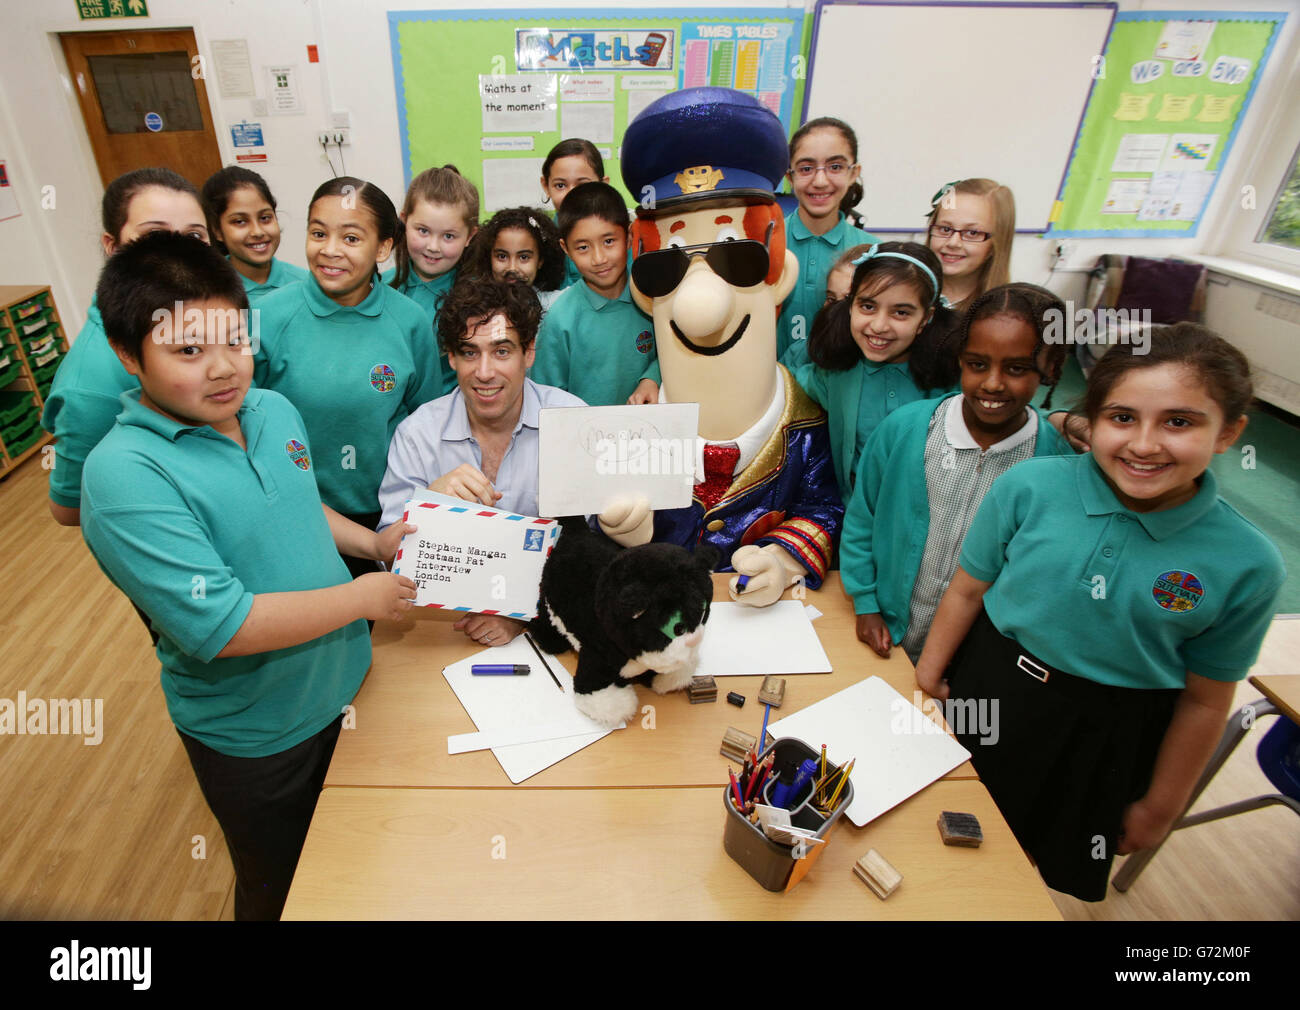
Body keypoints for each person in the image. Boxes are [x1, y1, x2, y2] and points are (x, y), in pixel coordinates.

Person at [80, 232, 417, 919]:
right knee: (283, 889)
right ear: (126, 354)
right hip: (262, 739)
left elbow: (298, 501)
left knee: (362, 866)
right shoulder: (123, 477)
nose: (223, 369)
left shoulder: (269, 409)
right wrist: (361, 598)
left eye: (235, 340)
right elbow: (223, 624)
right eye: (187, 351)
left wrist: (374, 545)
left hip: (349, 685)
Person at [914, 323, 1286, 902]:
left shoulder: (1248, 562)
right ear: (1092, 419)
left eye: (1179, 422)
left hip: (1109, 731)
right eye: (1122, 418)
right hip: (992, 685)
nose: (1144, 443)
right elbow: (967, 588)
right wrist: (929, 672)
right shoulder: (1030, 486)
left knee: (1034, 859)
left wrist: (1161, 806)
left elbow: (1206, 699)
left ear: (1228, 432)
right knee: (947, 816)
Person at [607, 86, 844, 608]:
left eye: (735, 258)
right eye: (665, 267)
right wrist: (624, 532)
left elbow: (824, 506)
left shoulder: (805, 426)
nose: (699, 303)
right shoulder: (634, 435)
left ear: (779, 273)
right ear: (644, 291)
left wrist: (784, 559)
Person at [842, 283, 1072, 664]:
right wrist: (865, 603)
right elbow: (862, 518)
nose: (993, 383)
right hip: (886, 635)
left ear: (1051, 368)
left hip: (974, 655)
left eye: (1017, 368)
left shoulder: (1055, 462)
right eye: (977, 364)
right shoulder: (904, 429)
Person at [377, 277, 583, 648]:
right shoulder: (417, 434)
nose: (485, 372)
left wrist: (523, 616)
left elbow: (595, 554)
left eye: (502, 351)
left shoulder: (573, 423)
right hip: (438, 629)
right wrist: (429, 507)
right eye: (470, 353)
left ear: (529, 352)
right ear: (451, 357)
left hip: (554, 623)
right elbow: (388, 556)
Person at [254, 176, 439, 580]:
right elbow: (242, 420)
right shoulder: (266, 319)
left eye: (351, 238)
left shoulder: (410, 320)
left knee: (384, 631)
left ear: (385, 247)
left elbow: (425, 420)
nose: (330, 250)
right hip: (296, 512)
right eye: (318, 233)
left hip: (386, 514)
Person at [43, 167, 209, 527]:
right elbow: (69, 508)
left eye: (194, 237)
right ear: (112, 246)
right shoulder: (91, 385)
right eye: (155, 236)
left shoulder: (202, 318)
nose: (178, 252)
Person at [794, 242, 959, 498]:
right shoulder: (833, 375)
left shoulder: (949, 380)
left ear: (925, 318)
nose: (879, 326)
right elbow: (782, 385)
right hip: (853, 521)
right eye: (868, 307)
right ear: (851, 305)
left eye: (901, 312)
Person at [531, 182, 658, 405]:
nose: (599, 258)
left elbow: (675, 354)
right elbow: (544, 399)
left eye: (609, 241)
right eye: (583, 247)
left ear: (628, 238)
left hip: (652, 435)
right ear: (565, 249)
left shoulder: (654, 297)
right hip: (583, 437)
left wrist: (652, 378)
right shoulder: (559, 320)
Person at [777, 117, 880, 369]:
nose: (820, 181)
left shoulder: (875, 254)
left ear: (854, 173)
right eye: (806, 168)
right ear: (789, 175)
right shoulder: (763, 243)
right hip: (767, 390)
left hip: (838, 391)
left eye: (835, 166)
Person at [385, 164, 480, 396]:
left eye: (448, 236)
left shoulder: (480, 299)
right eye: (423, 231)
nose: (433, 247)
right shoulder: (380, 288)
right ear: (404, 221)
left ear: (470, 236)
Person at [201, 165, 308, 305]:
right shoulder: (205, 294)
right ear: (217, 231)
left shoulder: (306, 284)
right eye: (240, 221)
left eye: (265, 218)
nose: (257, 232)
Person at [925, 178, 1014, 313]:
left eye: (972, 233)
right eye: (945, 229)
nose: (953, 243)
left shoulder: (1006, 312)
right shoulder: (902, 292)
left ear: (998, 242)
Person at [462, 206, 567, 310]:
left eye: (524, 257)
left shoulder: (557, 305)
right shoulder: (474, 308)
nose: (512, 268)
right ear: (489, 257)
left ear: (540, 261)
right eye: (502, 256)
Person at [540, 138, 608, 288]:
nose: (571, 194)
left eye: (582, 184)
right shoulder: (539, 240)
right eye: (560, 185)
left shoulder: (618, 238)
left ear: (603, 185)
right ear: (546, 186)